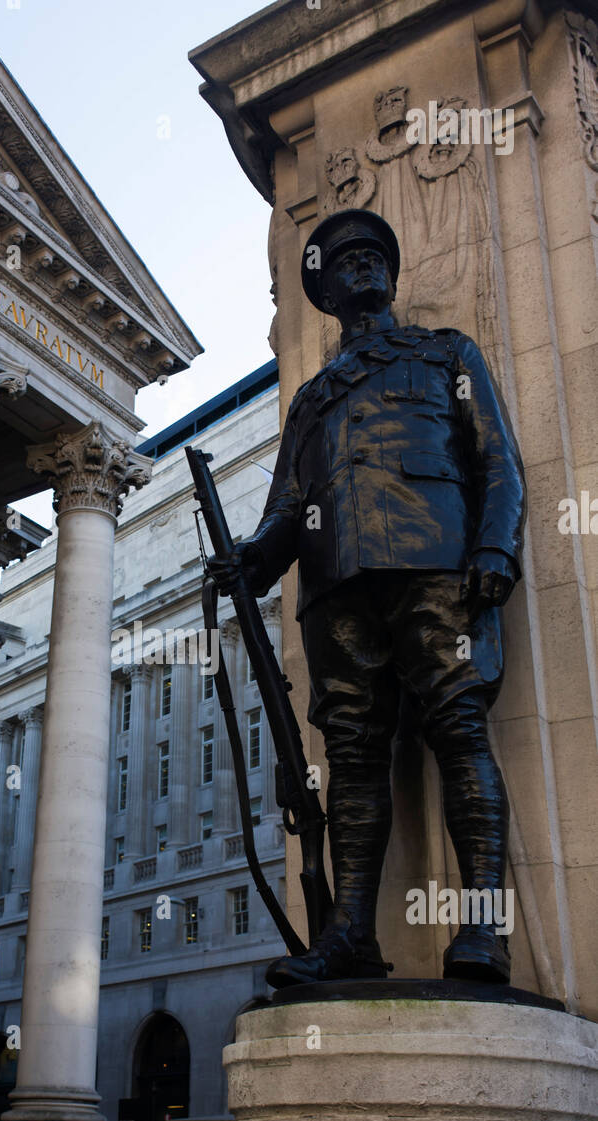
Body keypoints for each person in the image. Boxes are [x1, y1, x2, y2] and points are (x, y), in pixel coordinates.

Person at [210, 210, 526, 986]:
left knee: (459, 731)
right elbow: (286, 509)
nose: (359, 268)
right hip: (335, 589)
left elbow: (498, 459)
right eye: (343, 261)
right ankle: (351, 933)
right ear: (324, 291)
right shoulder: (311, 400)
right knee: (351, 762)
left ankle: (481, 929)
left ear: (388, 274)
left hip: (437, 564)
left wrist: (493, 546)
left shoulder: (446, 352)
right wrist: (249, 561)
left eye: (369, 257)